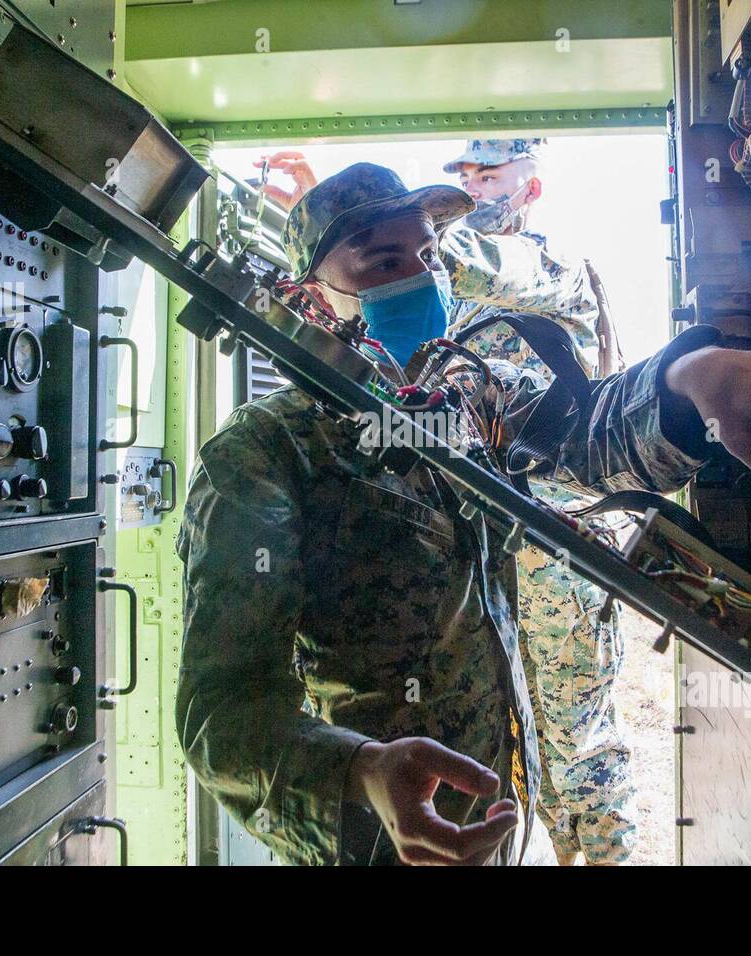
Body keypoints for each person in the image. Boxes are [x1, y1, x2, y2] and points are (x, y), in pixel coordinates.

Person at [176, 162, 751, 866]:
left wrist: (681, 383)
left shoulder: (467, 399)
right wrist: (361, 772)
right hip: (382, 843)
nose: (419, 276)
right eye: (384, 260)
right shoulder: (263, 453)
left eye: (428, 253)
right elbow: (222, 715)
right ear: (314, 296)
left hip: (493, 826)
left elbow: (587, 431)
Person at [265, 140, 639, 864]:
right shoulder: (286, 440)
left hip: (555, 552)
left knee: (577, 748)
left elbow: (588, 423)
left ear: (531, 186)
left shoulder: (544, 272)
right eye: (468, 177)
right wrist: (327, 237)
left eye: (490, 177)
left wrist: (360, 231)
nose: (421, 272)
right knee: (478, 748)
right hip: (470, 571)